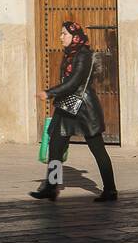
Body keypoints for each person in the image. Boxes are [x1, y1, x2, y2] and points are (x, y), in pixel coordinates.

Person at [30, 20, 117, 202]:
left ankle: (110, 190)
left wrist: (49, 93)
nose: (61, 37)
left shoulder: (83, 55)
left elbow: (74, 82)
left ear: (74, 36)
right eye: (61, 34)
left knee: (98, 149)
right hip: (67, 107)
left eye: (64, 34)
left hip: (84, 109)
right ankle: (51, 188)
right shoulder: (70, 53)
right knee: (55, 146)